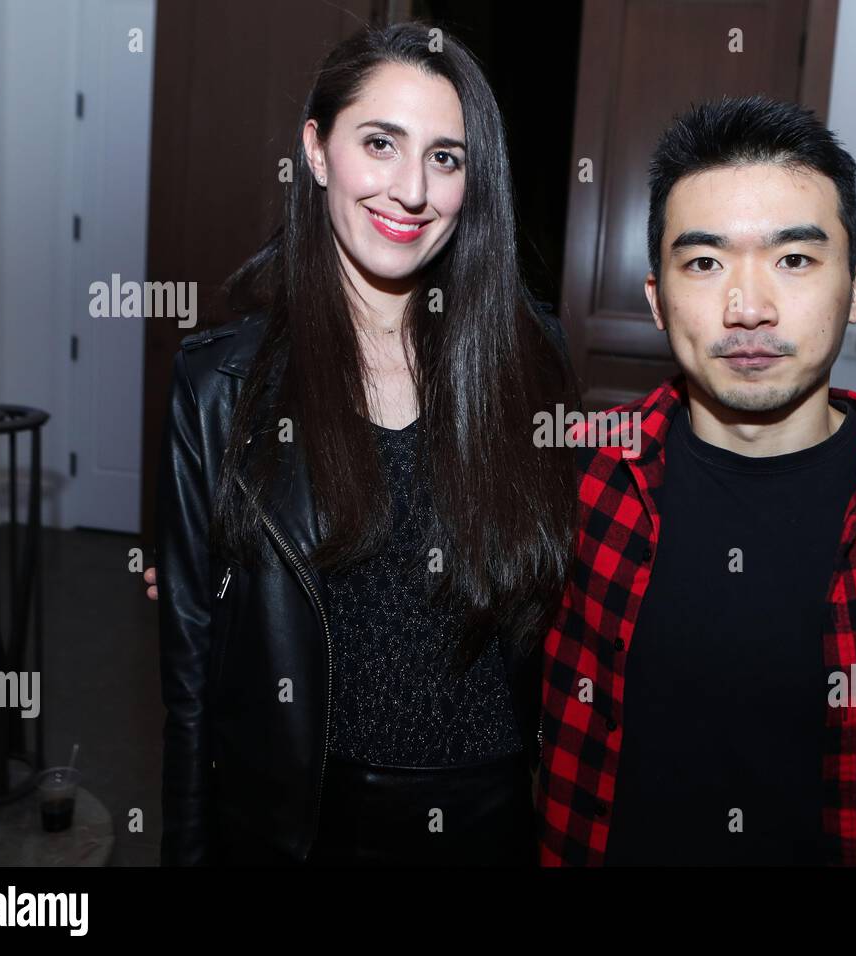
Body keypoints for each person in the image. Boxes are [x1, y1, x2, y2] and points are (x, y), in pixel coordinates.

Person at [536, 95, 856, 865]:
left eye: (795, 259)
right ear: (656, 299)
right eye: (705, 263)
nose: (749, 308)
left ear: (852, 289)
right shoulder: (570, 483)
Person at [153, 21, 577, 866]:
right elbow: (191, 678)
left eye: (446, 158)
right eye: (380, 142)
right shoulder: (221, 388)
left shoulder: (531, 364)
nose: (411, 188)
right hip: (302, 821)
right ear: (317, 151)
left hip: (491, 820)